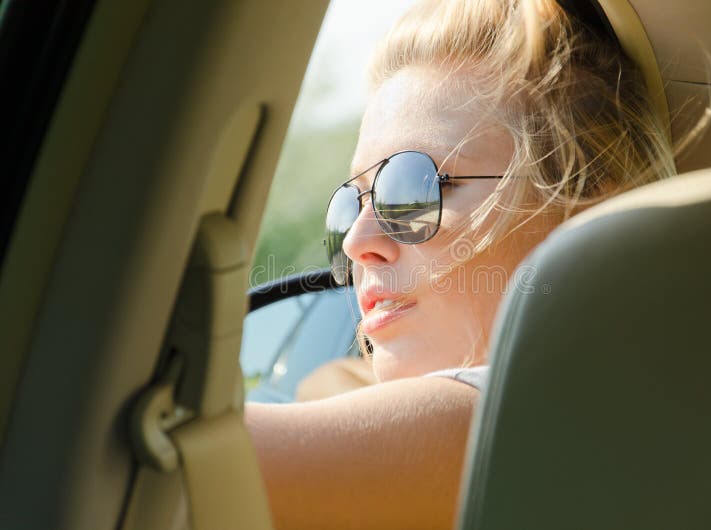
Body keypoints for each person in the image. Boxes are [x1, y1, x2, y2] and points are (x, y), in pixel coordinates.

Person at [245, 0, 677, 528]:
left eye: (413, 189)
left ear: (593, 216)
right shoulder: (649, 417)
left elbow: (182, 465)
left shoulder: (530, 423)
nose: (357, 242)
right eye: (349, 205)